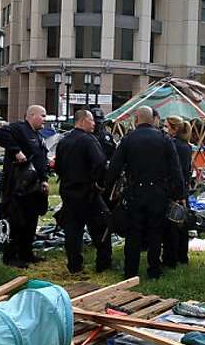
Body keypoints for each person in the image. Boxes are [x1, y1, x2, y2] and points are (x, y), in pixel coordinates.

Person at [106, 106, 183, 280]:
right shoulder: (164, 139)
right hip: (158, 192)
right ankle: (154, 269)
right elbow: (175, 169)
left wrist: (107, 186)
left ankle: (130, 271)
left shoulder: (128, 139)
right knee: (155, 232)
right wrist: (179, 194)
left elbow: (115, 167)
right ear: (152, 119)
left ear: (136, 119)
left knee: (133, 232)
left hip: (135, 191)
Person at [53, 109, 113, 274]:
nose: (94, 124)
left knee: (72, 230)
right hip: (88, 192)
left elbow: (58, 166)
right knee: (102, 226)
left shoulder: (64, 141)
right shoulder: (88, 140)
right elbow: (100, 163)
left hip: (68, 191)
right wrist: (99, 184)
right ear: (83, 120)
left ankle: (74, 265)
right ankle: (103, 263)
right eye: (92, 120)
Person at [0, 104, 50, 268]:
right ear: (32, 115)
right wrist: (16, 150)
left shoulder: (38, 136)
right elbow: (1, 133)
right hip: (17, 187)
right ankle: (11, 257)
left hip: (34, 187)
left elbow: (41, 161)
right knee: (16, 221)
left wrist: (44, 179)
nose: (45, 120)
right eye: (43, 116)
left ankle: (27, 253)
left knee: (31, 222)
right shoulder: (19, 129)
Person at [162, 116, 193, 268]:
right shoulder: (186, 146)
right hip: (183, 187)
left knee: (171, 224)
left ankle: (170, 258)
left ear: (174, 129)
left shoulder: (172, 145)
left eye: (167, 127)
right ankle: (182, 256)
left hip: (173, 188)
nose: (164, 130)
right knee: (182, 224)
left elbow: (174, 170)